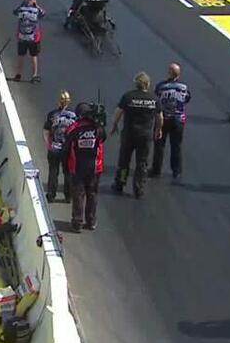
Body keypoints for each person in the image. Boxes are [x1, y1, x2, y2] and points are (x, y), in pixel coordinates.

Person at [111, 72, 160, 198]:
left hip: (129, 133)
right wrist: (158, 130)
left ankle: (120, 183)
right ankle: (139, 189)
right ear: (148, 84)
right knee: (142, 163)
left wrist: (114, 125)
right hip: (145, 135)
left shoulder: (128, 96)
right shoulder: (154, 99)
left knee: (124, 161)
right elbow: (160, 116)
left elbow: (118, 112)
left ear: (136, 83)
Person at [65, 102, 107, 231]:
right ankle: (91, 221)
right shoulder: (98, 128)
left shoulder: (73, 128)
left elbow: (66, 148)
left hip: (78, 167)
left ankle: (77, 222)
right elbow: (103, 139)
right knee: (92, 194)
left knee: (78, 195)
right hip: (95, 167)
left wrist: (66, 167)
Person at [152, 63, 190, 179]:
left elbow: (156, 99)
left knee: (159, 144)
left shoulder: (161, 86)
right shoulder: (184, 87)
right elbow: (187, 99)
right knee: (176, 145)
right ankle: (176, 171)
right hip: (179, 120)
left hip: (164, 118)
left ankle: (156, 170)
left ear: (169, 73)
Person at [43, 91, 78, 202]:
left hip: (54, 147)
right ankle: (68, 196)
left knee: (53, 172)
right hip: (67, 149)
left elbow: (46, 131)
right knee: (68, 172)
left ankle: (51, 195)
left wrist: (48, 145)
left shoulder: (52, 115)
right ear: (68, 102)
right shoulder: (74, 116)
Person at [12, 0, 45, 83]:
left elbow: (14, 12)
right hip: (33, 38)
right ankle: (34, 76)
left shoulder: (21, 10)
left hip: (22, 37)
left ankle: (18, 74)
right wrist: (36, 5)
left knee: (21, 56)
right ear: (33, 0)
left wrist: (22, 4)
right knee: (34, 56)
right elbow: (43, 14)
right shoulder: (36, 10)